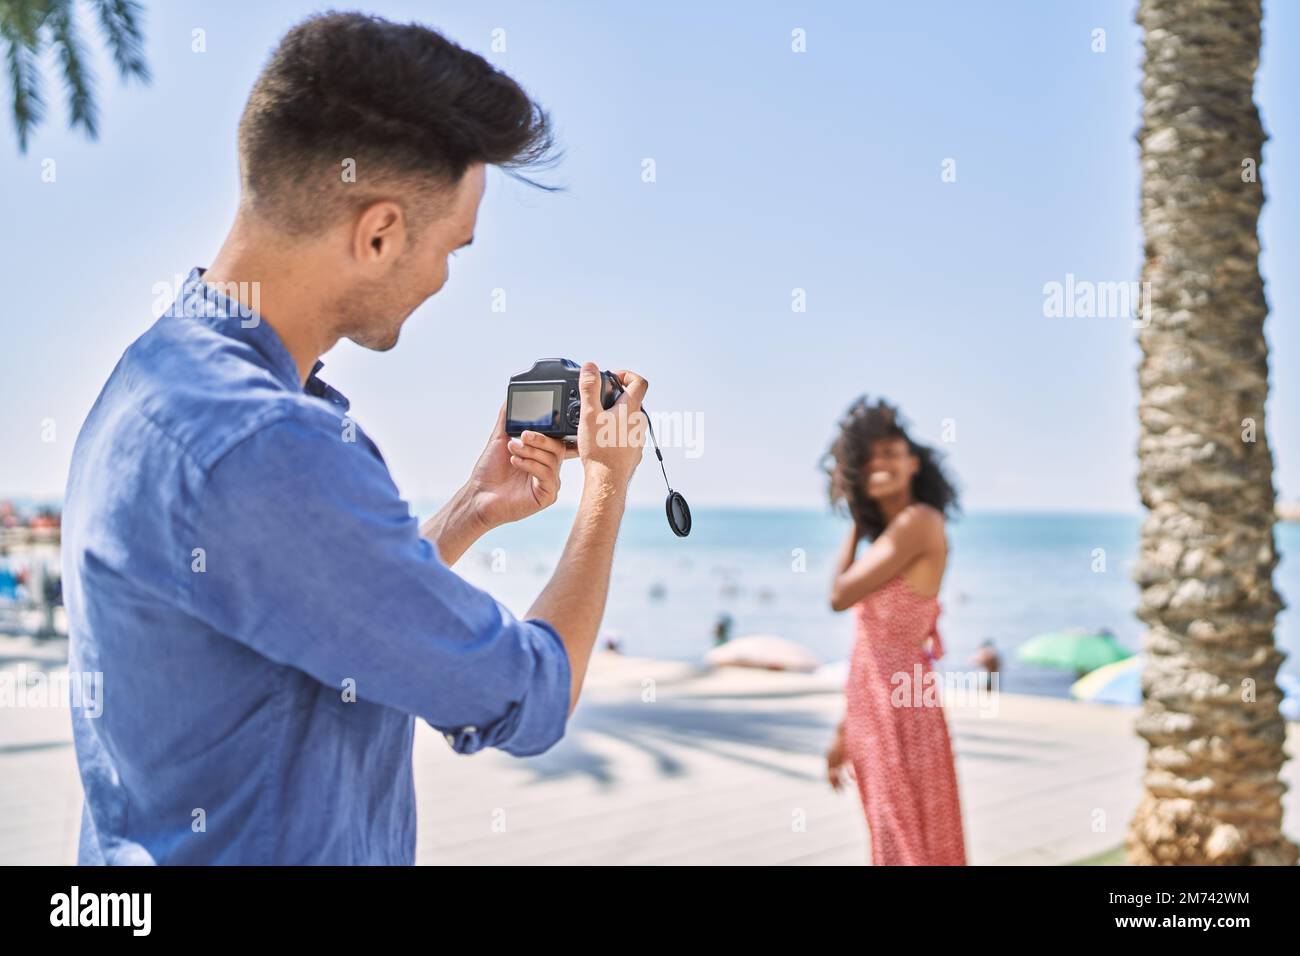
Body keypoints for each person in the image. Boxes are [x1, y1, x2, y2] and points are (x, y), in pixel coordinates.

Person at [61, 12, 648, 865]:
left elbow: (310, 608)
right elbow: (528, 699)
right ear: (378, 233)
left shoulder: (159, 377)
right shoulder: (261, 443)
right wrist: (606, 488)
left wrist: (471, 512)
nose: (447, 278)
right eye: (453, 246)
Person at [821, 397, 966, 865]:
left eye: (891, 452)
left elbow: (839, 596)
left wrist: (855, 524)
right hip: (873, 704)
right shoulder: (887, 539)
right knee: (894, 834)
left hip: (902, 704)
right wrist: (845, 730)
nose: (880, 462)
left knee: (908, 837)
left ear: (914, 463)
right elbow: (863, 643)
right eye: (870, 457)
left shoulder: (919, 522)